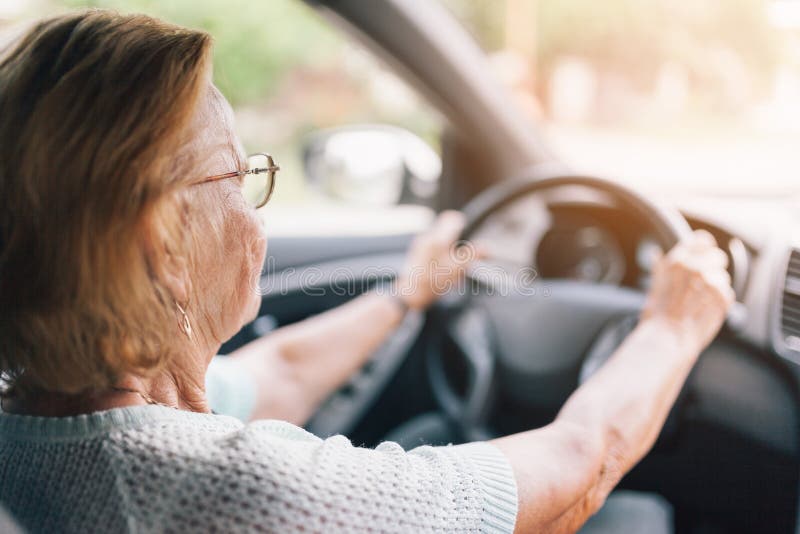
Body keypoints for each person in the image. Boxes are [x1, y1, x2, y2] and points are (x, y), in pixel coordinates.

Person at [0, 10, 734, 533]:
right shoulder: (238, 491)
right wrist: (674, 326)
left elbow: (278, 372)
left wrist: (405, 296)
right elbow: (575, 474)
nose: (257, 215)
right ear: (161, 244)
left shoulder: (37, 417)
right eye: (241, 175)